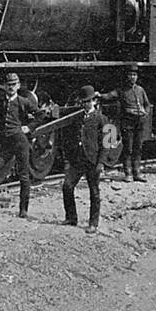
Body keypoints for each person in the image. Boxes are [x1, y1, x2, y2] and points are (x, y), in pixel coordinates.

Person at [0, 72, 40, 218]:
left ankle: (23, 209)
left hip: (20, 142)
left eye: (14, 85)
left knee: (24, 176)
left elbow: (40, 115)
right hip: (6, 144)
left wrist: (29, 127)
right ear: (5, 86)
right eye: (9, 85)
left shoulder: (23, 102)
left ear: (18, 86)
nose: (11, 87)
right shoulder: (0, 98)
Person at [62, 86, 106, 233]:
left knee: (94, 192)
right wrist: (68, 159)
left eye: (88, 101)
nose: (86, 104)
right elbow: (69, 139)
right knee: (67, 186)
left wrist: (101, 162)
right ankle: (71, 218)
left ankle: (93, 223)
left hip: (92, 160)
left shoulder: (101, 118)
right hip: (78, 160)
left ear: (94, 101)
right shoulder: (77, 117)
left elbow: (108, 143)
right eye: (84, 102)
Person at [115, 66, 150, 182]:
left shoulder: (140, 90)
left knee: (138, 148)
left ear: (137, 77)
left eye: (134, 75)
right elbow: (110, 95)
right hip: (128, 123)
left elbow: (147, 104)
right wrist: (100, 95)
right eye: (130, 75)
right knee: (128, 148)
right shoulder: (122, 90)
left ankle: (137, 172)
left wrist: (145, 113)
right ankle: (128, 173)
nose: (132, 77)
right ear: (127, 76)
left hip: (139, 122)